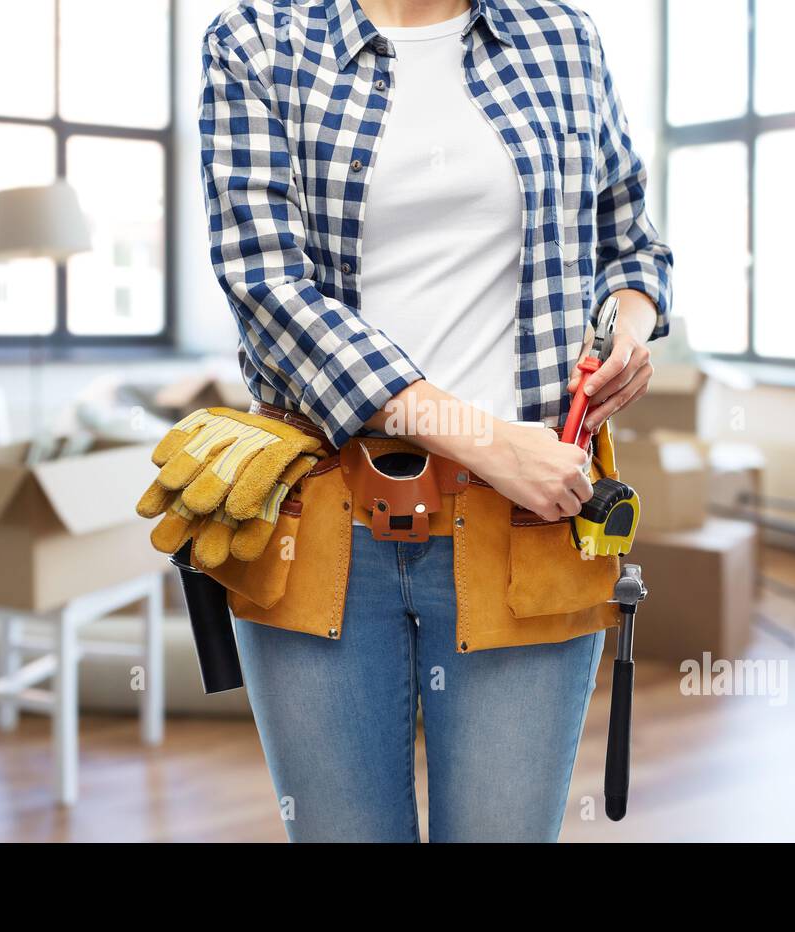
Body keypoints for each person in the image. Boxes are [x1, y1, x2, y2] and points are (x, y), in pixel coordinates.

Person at [199, 0, 672, 841]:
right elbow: (267, 286)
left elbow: (629, 243)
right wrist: (487, 443)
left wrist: (628, 328)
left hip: (530, 523)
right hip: (323, 521)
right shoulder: (257, 41)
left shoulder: (563, 35)